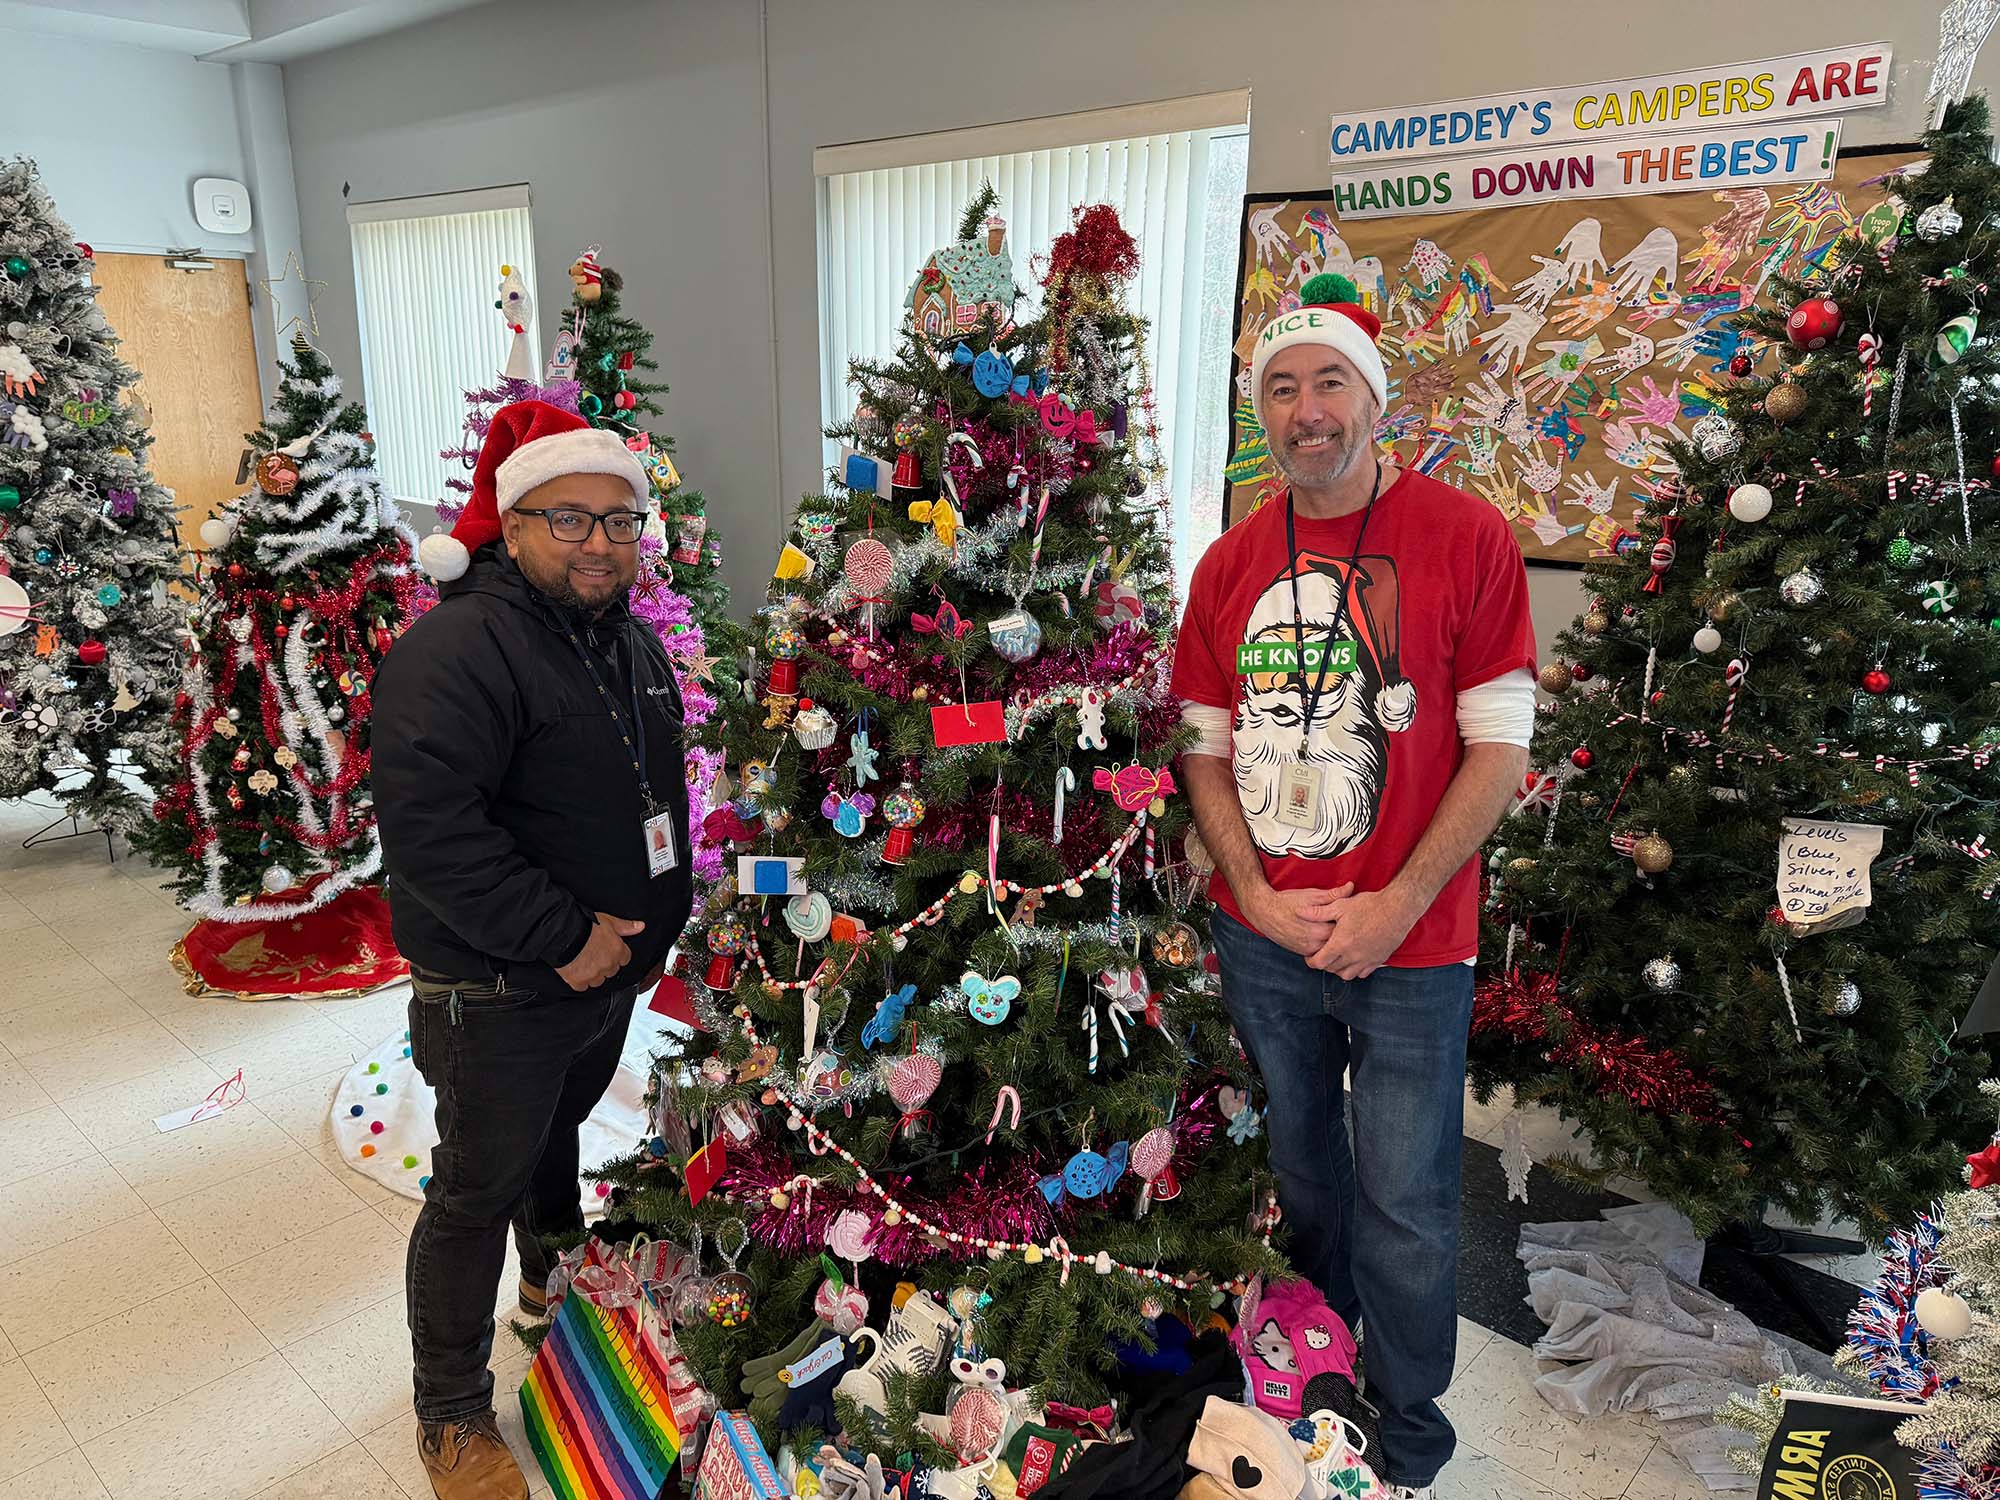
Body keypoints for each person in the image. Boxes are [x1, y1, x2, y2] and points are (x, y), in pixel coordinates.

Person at [1171, 275, 1535, 1497]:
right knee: (1301, 1174)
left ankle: (1405, 1418)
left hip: (1411, 944)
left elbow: (1498, 749)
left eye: (1328, 382)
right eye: (1280, 388)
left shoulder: (1468, 539)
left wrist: (1394, 903)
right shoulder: (1226, 565)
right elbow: (1201, 750)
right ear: (1260, 414)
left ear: (1371, 400)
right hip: (1261, 936)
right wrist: (1251, 892)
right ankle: (1309, 1368)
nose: (1305, 409)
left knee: (1408, 1197)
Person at [372, 400, 694, 1500]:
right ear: (511, 526)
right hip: (500, 986)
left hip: (601, 980)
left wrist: (643, 932)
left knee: (550, 1140)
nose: (598, 542)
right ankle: (453, 1414)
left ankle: (546, 1292)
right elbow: (432, 836)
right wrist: (566, 938)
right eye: (569, 519)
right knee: (473, 1189)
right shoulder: (456, 649)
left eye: (619, 522)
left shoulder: (628, 641)